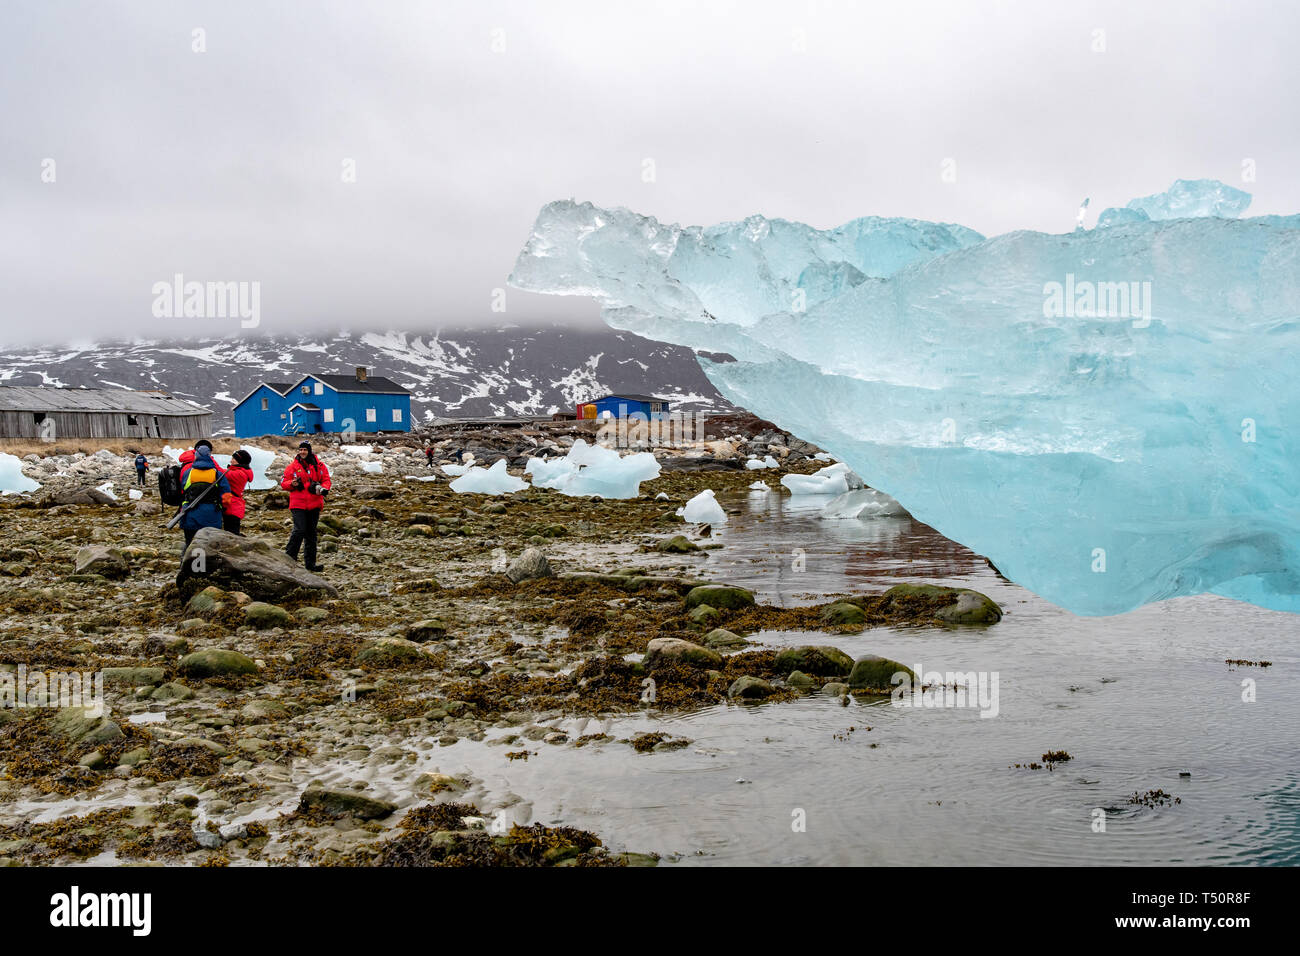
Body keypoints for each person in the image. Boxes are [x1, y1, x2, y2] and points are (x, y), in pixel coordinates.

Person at [282, 440, 330, 572]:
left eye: (305, 450)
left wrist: (324, 488)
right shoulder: (292, 467)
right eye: (301, 449)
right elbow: (283, 482)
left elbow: (326, 479)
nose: (302, 452)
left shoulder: (319, 466)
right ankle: (289, 559)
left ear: (309, 451)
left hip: (314, 503)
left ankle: (310, 564)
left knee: (311, 533)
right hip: (298, 503)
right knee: (299, 530)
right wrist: (292, 483)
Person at [177, 440, 231, 550]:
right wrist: (222, 508)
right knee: (210, 546)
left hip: (190, 513)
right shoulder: (218, 474)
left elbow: (183, 490)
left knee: (190, 545)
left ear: (196, 456)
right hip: (212, 515)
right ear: (210, 456)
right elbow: (226, 497)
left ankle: (188, 565)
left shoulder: (188, 473)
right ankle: (207, 566)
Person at [222, 449, 254, 535]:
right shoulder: (240, 472)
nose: (231, 461)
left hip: (233, 508)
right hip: (234, 507)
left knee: (231, 536)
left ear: (239, 461)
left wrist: (209, 459)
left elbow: (221, 472)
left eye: (233, 459)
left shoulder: (239, 474)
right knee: (231, 534)